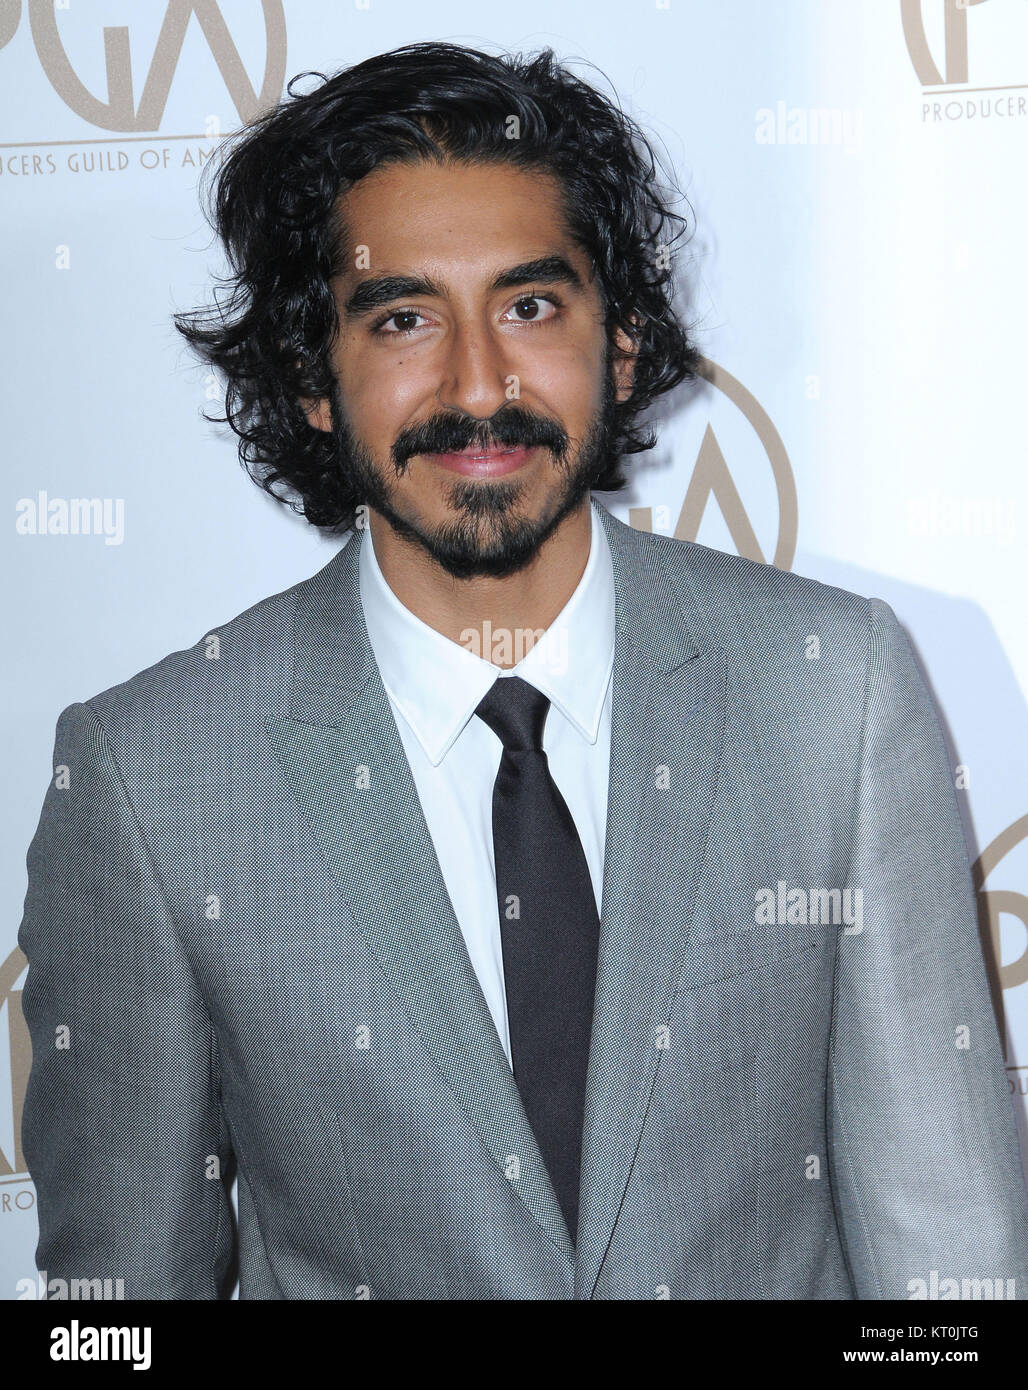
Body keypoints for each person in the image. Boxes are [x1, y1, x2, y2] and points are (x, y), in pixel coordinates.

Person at [18, 41, 1028, 1300]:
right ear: (309, 379)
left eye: (532, 305)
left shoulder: (835, 690)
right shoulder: (149, 777)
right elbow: (115, 1312)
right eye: (401, 319)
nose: (477, 384)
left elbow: (951, 1270)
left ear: (620, 344)